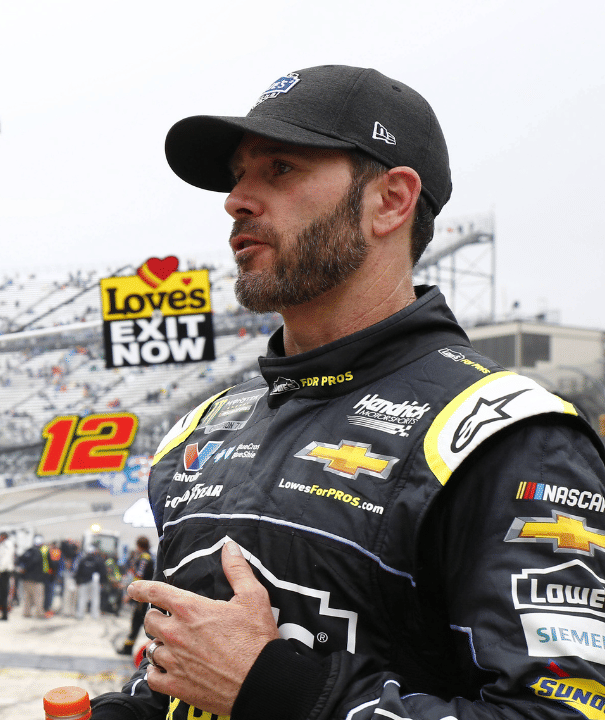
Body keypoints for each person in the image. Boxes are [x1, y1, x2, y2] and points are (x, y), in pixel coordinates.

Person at [90, 65, 605, 720]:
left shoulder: (503, 438)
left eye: (279, 168)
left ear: (391, 200)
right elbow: (185, 675)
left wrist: (280, 690)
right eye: (238, 175)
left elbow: (562, 713)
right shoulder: (205, 429)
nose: (236, 200)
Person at [116, 536, 153, 656]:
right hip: (144, 594)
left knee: (137, 622)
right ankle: (128, 647)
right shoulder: (147, 556)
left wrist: (131, 594)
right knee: (137, 621)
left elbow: (139, 575)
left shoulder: (144, 558)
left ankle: (128, 648)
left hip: (142, 596)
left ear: (139, 546)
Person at [73, 547, 107, 620]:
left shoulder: (83, 561)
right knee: (95, 598)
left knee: (82, 598)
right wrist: (102, 582)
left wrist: (77, 581)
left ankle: (80, 614)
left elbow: (78, 572)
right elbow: (103, 572)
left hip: (84, 582)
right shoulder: (98, 561)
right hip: (94, 583)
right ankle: (94, 615)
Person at [17, 537, 47, 618]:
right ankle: (39, 613)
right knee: (38, 597)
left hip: (26, 579)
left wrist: (23, 570)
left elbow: (19, 560)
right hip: (37, 579)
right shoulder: (41, 553)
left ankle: (26, 613)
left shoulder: (28, 551)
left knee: (27, 597)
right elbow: (42, 564)